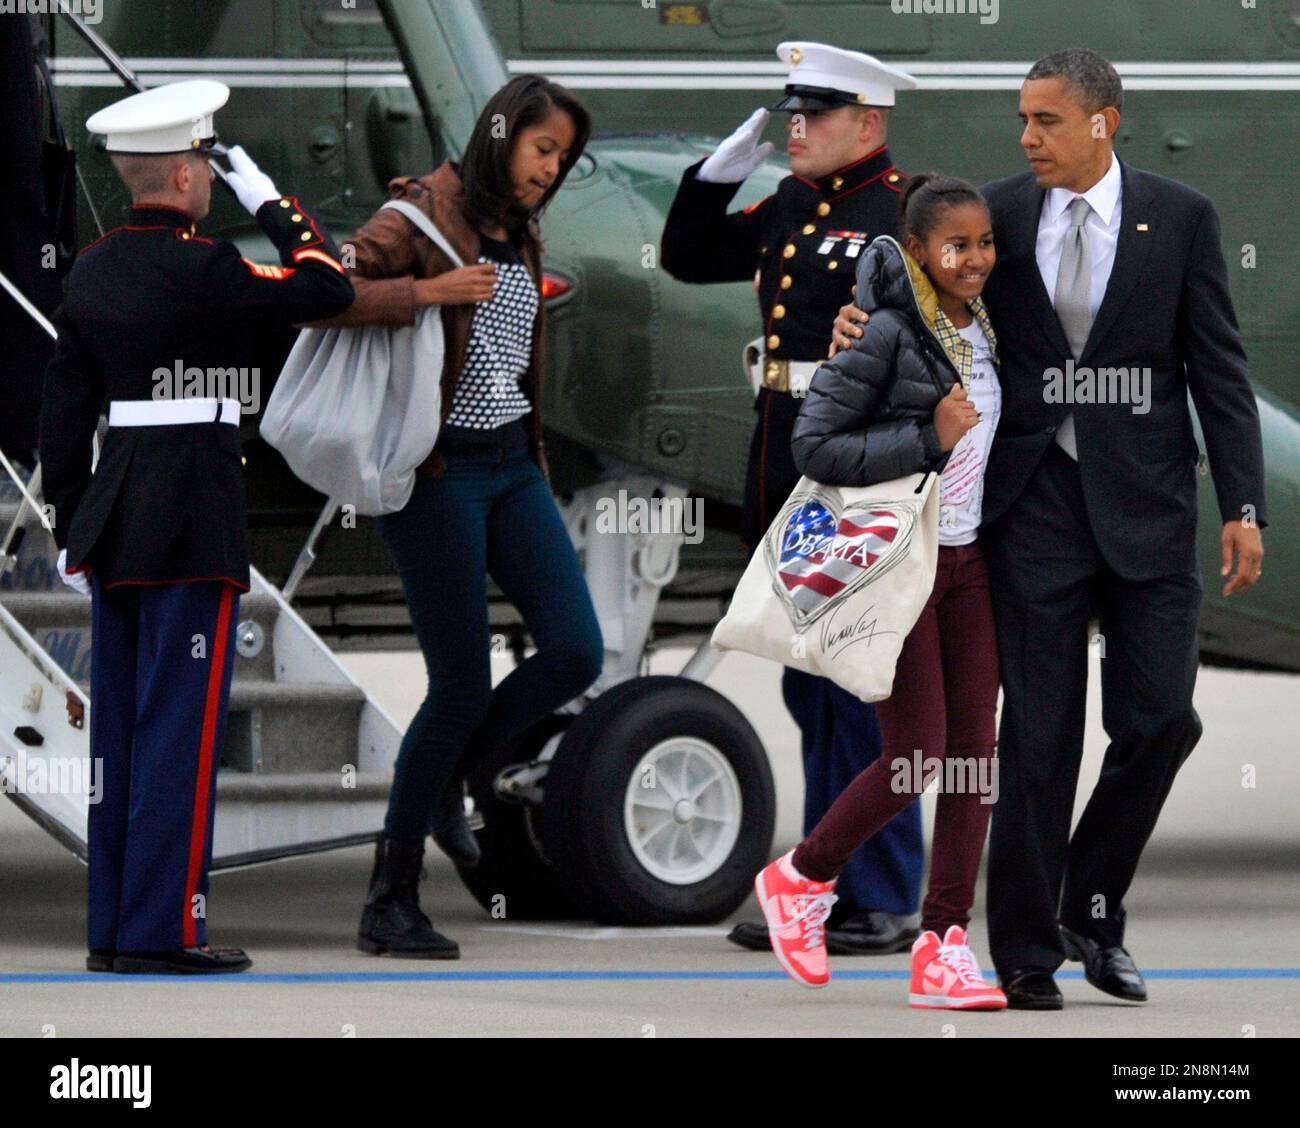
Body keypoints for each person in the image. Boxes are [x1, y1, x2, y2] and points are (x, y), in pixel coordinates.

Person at [831, 48, 1267, 1009]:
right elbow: (918, 295)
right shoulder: (1000, 215)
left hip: (1149, 507)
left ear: (1104, 120)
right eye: (1022, 119)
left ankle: (1094, 907)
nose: (1026, 137)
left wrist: (1243, 506)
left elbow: (1219, 372)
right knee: (1036, 737)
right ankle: (1027, 952)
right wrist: (857, 329)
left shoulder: (1182, 218)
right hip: (1035, 506)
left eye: (1046, 120)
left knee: (1161, 719)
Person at [39, 80, 354, 974]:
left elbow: (63, 417)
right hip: (192, 519)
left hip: (114, 517)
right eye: (209, 168)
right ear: (186, 174)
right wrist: (273, 200)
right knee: (181, 730)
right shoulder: (210, 266)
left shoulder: (92, 268)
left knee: (122, 739)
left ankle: (113, 931)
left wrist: (70, 525)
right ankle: (167, 934)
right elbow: (328, 288)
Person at [315, 75, 604, 959]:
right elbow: (328, 290)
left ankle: (454, 774)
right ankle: (389, 899)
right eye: (541, 149)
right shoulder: (422, 213)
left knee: (574, 650)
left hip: (513, 466)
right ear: (501, 136)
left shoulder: (516, 222)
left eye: (562, 158)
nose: (550, 170)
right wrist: (427, 295)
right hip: (437, 474)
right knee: (460, 685)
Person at [661, 42, 925, 956]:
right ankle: (824, 884)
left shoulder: (901, 215)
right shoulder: (788, 204)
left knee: (857, 685)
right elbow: (690, 257)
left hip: (854, 465)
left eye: (816, 113)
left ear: (871, 123)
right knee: (809, 686)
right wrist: (713, 177)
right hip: (784, 453)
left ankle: (884, 896)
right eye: (791, 113)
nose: (796, 128)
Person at [755, 175, 1006, 1010]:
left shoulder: (995, 329)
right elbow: (814, 443)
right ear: (920, 252)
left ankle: (944, 944)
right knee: (917, 754)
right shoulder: (887, 333)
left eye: (985, 243)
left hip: (971, 566)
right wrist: (925, 439)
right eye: (955, 246)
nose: (974, 259)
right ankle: (802, 878)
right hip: (903, 564)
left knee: (975, 762)